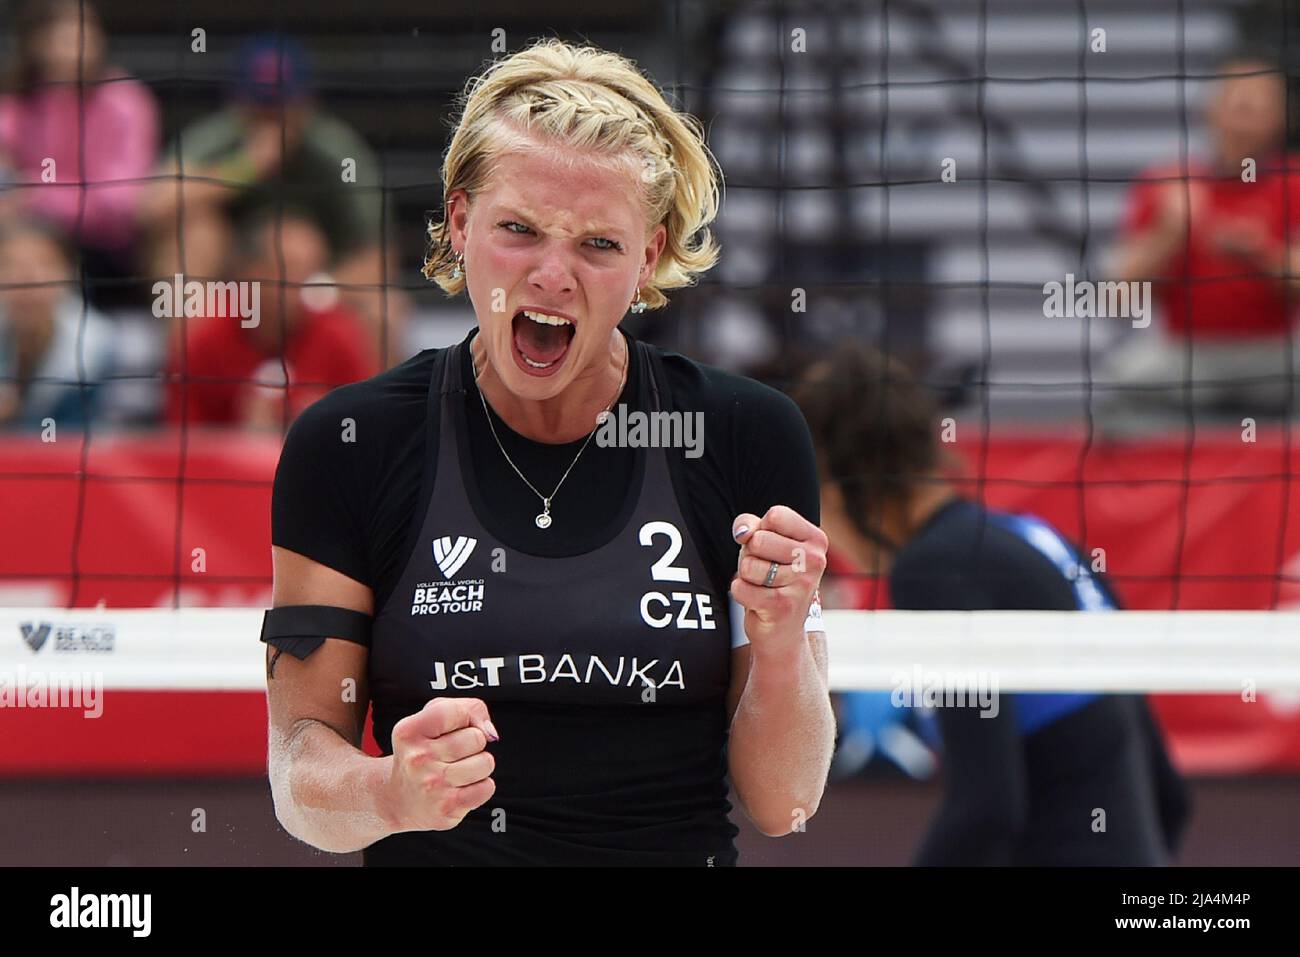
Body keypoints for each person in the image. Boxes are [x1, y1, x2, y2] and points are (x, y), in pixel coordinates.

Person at [261, 38, 835, 866]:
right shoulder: (351, 444)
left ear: (650, 255)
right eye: (519, 230)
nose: (552, 274)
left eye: (599, 244)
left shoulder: (746, 433)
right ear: (460, 224)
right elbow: (297, 770)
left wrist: (781, 646)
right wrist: (392, 791)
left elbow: (785, 801)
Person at [793, 343, 1192, 865]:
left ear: (841, 484)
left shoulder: (933, 571)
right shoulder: (1037, 538)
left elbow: (987, 808)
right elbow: (1171, 796)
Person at [137, 33, 407, 365]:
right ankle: (188, 401)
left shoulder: (337, 153)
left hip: (317, 293)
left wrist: (309, 290)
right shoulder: (220, 140)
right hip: (230, 298)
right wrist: (246, 167)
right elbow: (151, 207)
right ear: (239, 102)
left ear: (306, 103)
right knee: (193, 238)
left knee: (386, 309)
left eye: (282, 106)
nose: (271, 119)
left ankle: (378, 415)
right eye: (261, 106)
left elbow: (377, 257)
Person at [1103, 51, 1300, 429]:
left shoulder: (1293, 184)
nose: (1244, 121)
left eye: (1257, 108)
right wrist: (1169, 235)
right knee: (1126, 376)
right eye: (1236, 106)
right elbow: (1117, 299)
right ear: (1211, 111)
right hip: (1188, 355)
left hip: (1273, 355)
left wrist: (1262, 256)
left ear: (1280, 120)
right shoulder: (1167, 183)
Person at [0, 0, 160, 310]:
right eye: (64, 29)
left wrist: (36, 193)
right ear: (36, 42)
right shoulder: (16, 104)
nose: (77, 39)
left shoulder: (125, 99)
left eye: (85, 27)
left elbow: (121, 203)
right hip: (28, 247)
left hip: (109, 254)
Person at [164, 210, 378, 429]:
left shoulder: (339, 335)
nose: (303, 283)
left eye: (311, 270)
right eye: (290, 268)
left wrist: (322, 430)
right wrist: (241, 436)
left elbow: (365, 430)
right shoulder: (204, 340)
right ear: (251, 272)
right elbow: (183, 441)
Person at [0, 218, 118, 429]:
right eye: (10, 264)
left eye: (43, 264)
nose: (27, 278)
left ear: (70, 273)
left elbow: (73, 434)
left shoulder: (95, 345)